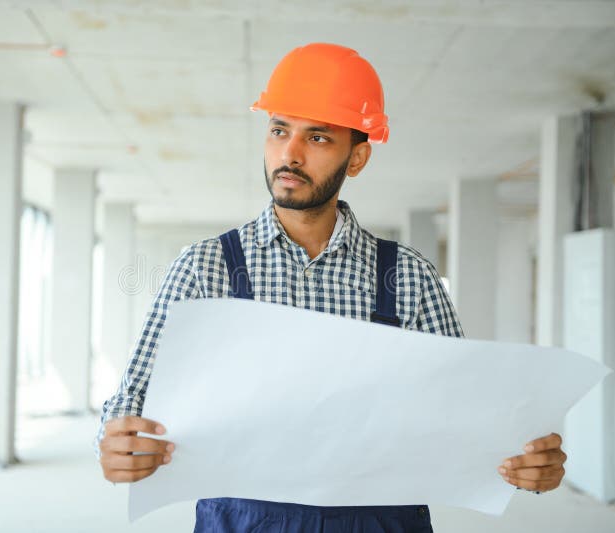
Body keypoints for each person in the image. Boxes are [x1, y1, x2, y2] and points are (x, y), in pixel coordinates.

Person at [96, 43, 567, 532]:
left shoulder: (408, 277)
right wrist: (113, 446)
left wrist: (526, 461)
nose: (290, 153)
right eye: (279, 130)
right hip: (244, 520)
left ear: (357, 157)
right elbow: (131, 405)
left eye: (318, 137)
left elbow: (474, 424)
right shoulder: (204, 268)